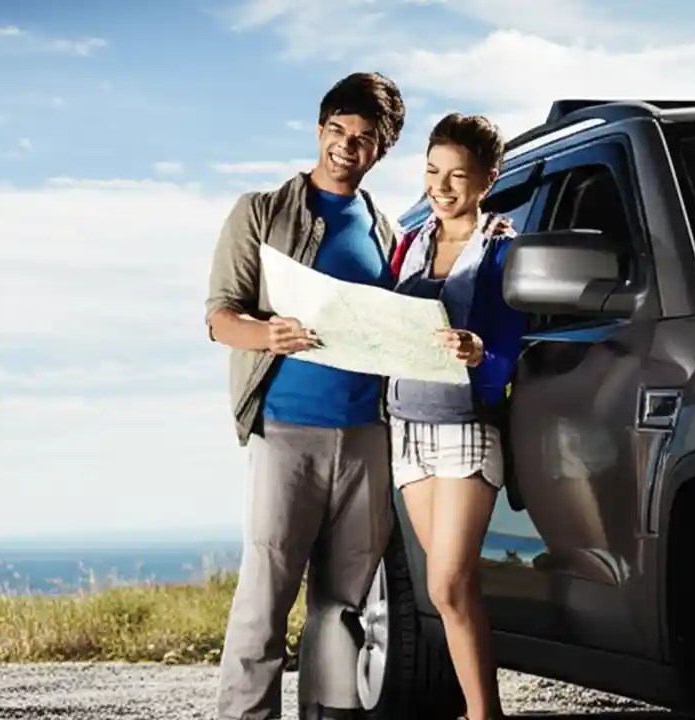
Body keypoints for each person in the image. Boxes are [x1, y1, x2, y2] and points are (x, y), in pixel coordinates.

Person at [205, 71, 406, 720]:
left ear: (381, 151)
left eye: (365, 138)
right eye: (338, 131)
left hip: (368, 438)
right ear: (320, 131)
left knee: (342, 608)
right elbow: (218, 319)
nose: (347, 146)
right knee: (265, 598)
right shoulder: (259, 213)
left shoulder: (388, 231)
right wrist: (267, 332)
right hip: (287, 431)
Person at [386, 112, 528, 720]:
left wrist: (481, 353)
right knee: (451, 589)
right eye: (431, 172)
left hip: (465, 427)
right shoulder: (408, 242)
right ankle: (482, 712)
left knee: (447, 583)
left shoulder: (501, 245)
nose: (441, 187)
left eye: (457, 175)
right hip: (407, 425)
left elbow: (514, 343)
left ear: (487, 178)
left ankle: (481, 715)